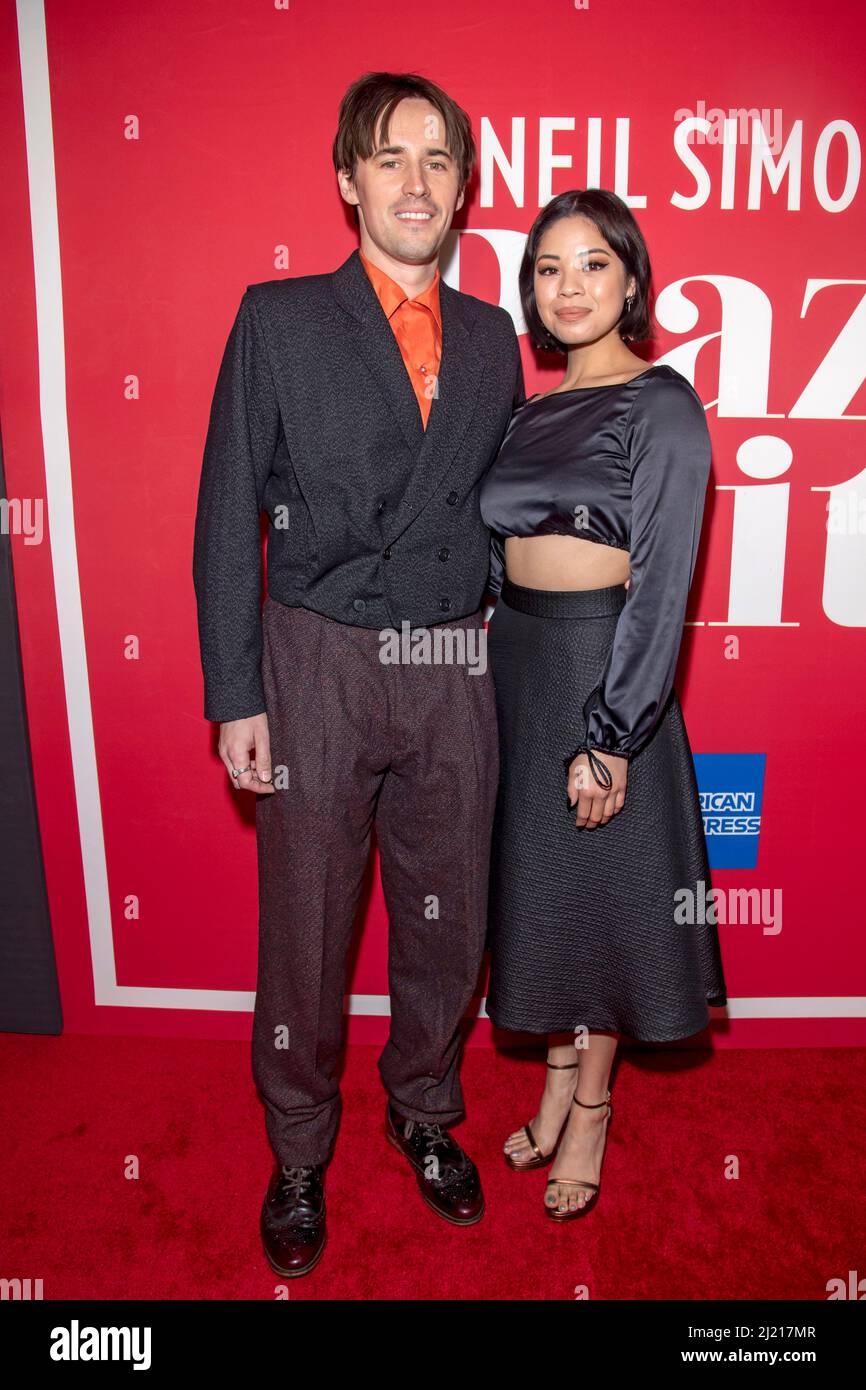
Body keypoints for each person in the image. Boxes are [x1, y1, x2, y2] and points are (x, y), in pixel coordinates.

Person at [193, 71, 525, 1276]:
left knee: (450, 915)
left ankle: (424, 1108)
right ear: (347, 181)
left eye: (438, 160)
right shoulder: (276, 319)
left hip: (448, 659)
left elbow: (496, 510)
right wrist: (236, 692)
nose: (416, 181)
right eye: (390, 157)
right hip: (317, 657)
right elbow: (230, 509)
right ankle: (297, 1142)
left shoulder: (494, 338)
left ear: (462, 188)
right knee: (307, 923)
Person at [478, 188, 727, 1221]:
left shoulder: (660, 402)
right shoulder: (524, 412)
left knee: (606, 901)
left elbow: (662, 579)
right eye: (547, 267)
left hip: (601, 667)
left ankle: (588, 1105)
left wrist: (613, 734)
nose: (567, 286)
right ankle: (547, 1077)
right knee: (542, 896)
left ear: (629, 279)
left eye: (591, 264)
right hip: (519, 666)